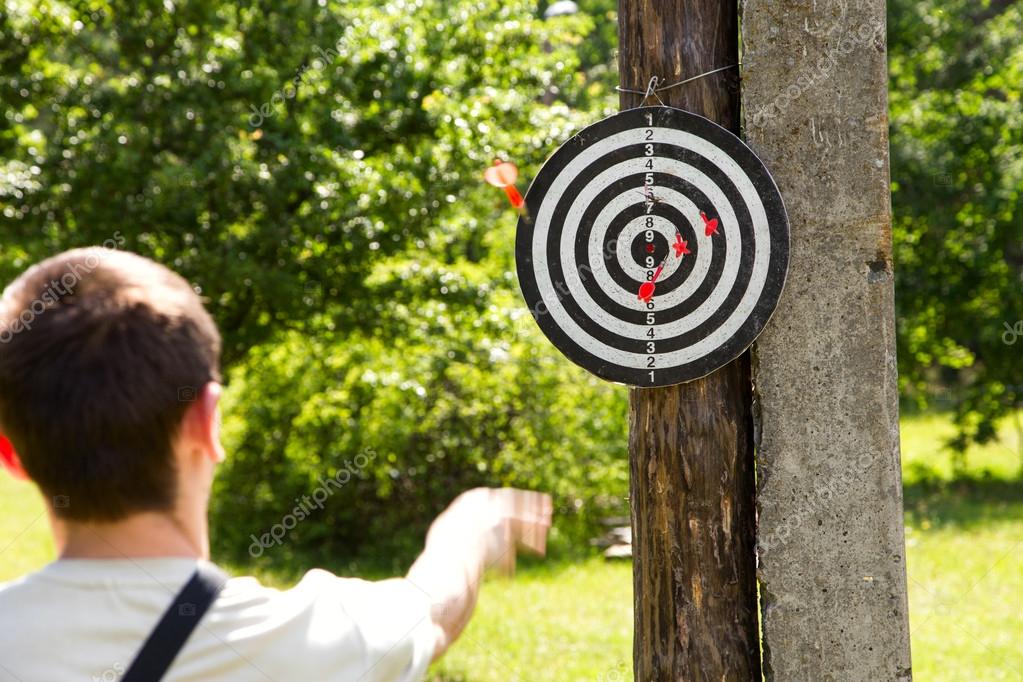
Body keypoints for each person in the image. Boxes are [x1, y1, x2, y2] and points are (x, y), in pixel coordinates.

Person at [0, 247, 552, 682]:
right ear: (207, 422)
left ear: (10, 453)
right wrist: (471, 525)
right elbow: (433, 611)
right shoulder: (305, 643)